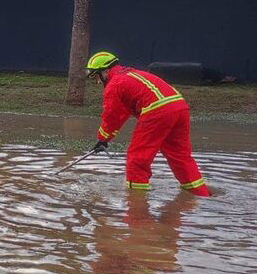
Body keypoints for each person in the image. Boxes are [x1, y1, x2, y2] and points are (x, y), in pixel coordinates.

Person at [86, 51, 211, 197]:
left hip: (157, 112)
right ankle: (201, 195)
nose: (98, 82)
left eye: (96, 77)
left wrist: (103, 139)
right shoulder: (132, 74)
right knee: (180, 156)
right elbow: (124, 111)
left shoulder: (114, 84)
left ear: (105, 71)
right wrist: (105, 138)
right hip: (180, 107)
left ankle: (137, 206)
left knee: (137, 159)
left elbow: (112, 116)